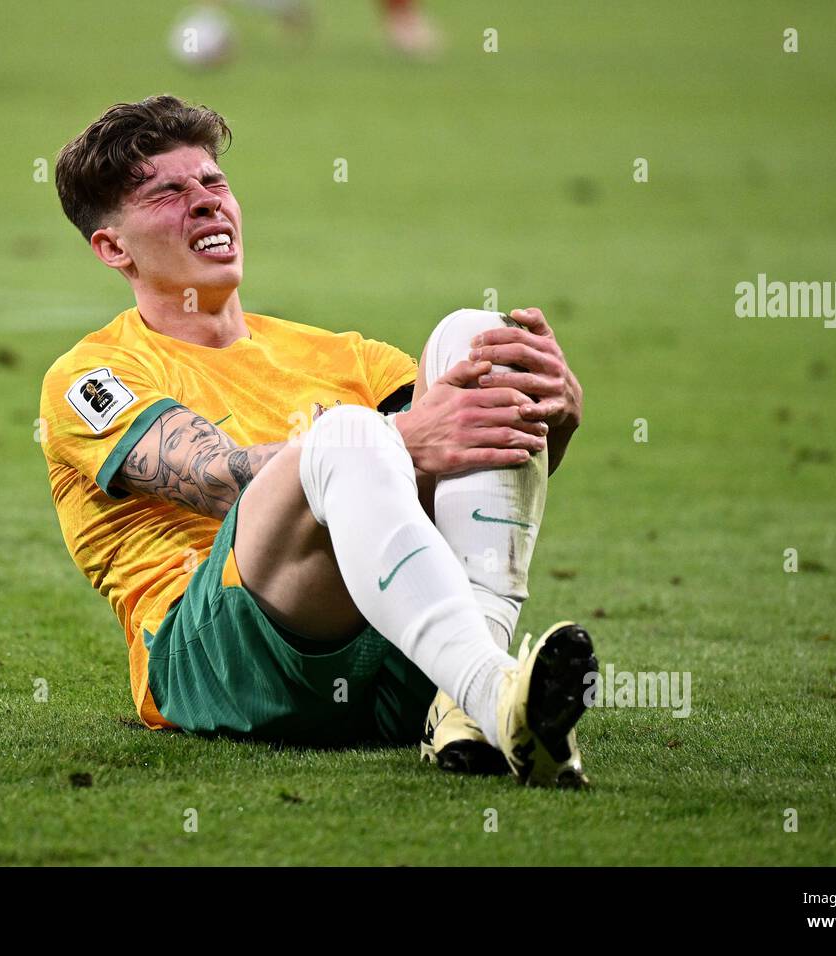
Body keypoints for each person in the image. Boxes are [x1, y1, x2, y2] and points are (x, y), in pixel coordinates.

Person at [40, 96, 596, 787]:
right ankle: (491, 687)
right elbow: (220, 479)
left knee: (480, 340)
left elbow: (470, 469)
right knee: (351, 435)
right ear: (112, 246)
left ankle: (468, 697)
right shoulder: (93, 375)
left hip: (399, 649)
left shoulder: (339, 354)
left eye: (213, 183)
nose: (206, 202)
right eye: (168, 193)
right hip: (224, 666)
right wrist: (395, 441)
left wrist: (547, 412)